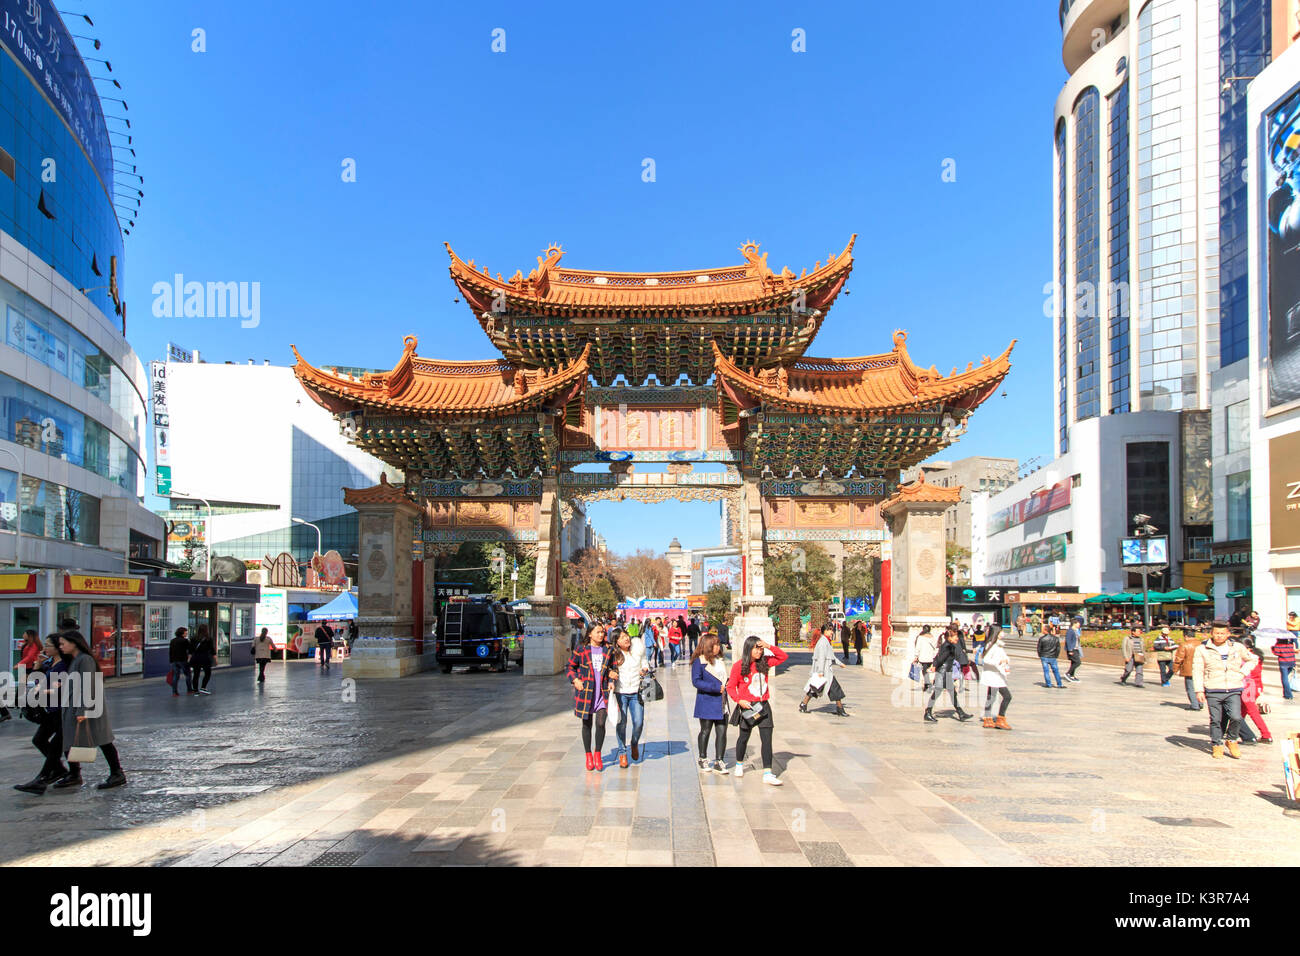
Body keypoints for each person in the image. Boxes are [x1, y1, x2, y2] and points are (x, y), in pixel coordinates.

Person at [49, 630, 125, 790]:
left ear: (74, 643)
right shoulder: (77, 660)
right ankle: (74, 773)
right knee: (73, 739)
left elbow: (87, 685)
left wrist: (82, 710)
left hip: (88, 708)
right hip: (76, 707)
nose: (60, 647)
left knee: (102, 740)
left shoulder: (85, 660)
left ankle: (116, 773)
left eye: (63, 644)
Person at [1192, 620, 1259, 759]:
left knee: (1236, 717)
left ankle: (1232, 740)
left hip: (1233, 688)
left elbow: (1253, 659)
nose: (1219, 636)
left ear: (1228, 634)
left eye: (1222, 633)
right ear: (1211, 633)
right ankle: (1217, 745)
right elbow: (1197, 670)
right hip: (1213, 688)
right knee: (1215, 720)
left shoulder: (1237, 647)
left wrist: (1242, 673)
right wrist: (1199, 690)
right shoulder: (1202, 649)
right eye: (1216, 633)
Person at [13, 634, 71, 795]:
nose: (45, 649)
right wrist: (38, 667)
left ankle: (43, 779)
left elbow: (54, 685)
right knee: (40, 740)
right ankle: (60, 771)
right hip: (51, 710)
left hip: (61, 710)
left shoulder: (63, 665)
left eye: (48, 645)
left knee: (55, 745)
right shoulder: (51, 663)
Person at [726, 636, 788, 785]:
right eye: (756, 648)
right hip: (748, 706)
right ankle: (739, 764)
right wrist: (739, 700)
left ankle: (768, 772)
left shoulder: (765, 662)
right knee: (743, 738)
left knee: (767, 740)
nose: (759, 651)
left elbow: (783, 657)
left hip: (763, 705)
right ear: (749, 649)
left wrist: (768, 646)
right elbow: (730, 687)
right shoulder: (739, 666)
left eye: (761, 649)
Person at [566, 624, 616, 772]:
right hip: (586, 692)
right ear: (590, 634)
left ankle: (597, 754)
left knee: (600, 723)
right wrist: (575, 680)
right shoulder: (581, 649)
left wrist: (612, 677)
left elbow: (613, 667)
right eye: (598, 632)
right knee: (586, 724)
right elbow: (570, 667)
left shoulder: (608, 649)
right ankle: (588, 755)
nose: (601, 635)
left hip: (602, 692)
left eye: (602, 632)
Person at [691, 633, 730, 773]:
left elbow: (723, 679)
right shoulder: (699, 661)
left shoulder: (720, 660)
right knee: (705, 730)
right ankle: (703, 757)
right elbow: (696, 681)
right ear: (708, 646)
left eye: (718, 644)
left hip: (722, 702)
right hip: (707, 700)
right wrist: (714, 688)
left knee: (722, 731)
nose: (718, 647)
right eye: (715, 644)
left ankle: (719, 760)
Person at [609, 628, 648, 767]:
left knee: (638, 722)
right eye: (621, 638)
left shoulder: (637, 650)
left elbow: (644, 661)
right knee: (622, 723)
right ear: (616, 642)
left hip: (636, 691)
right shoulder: (614, 655)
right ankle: (622, 753)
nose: (626, 639)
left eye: (626, 636)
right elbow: (607, 668)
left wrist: (645, 668)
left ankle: (634, 742)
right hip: (620, 692)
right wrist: (610, 675)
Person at [924, 627, 973, 722]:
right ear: (949, 637)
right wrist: (935, 666)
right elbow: (940, 658)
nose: (957, 638)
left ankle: (961, 713)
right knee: (937, 693)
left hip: (947, 672)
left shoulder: (949, 645)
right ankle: (928, 712)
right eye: (955, 637)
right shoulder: (948, 646)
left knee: (953, 694)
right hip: (943, 673)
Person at [799, 624, 849, 717]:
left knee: (816, 688)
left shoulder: (826, 641)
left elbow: (831, 656)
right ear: (825, 631)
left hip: (826, 670)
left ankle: (803, 704)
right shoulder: (823, 642)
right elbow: (821, 657)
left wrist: (839, 663)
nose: (832, 632)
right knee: (830, 688)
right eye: (830, 630)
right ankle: (840, 709)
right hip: (824, 671)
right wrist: (821, 672)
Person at [979, 628, 1012, 730]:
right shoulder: (992, 645)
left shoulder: (998, 645)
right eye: (1001, 631)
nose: (1002, 633)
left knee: (991, 696)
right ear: (997, 633)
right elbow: (986, 659)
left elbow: (1004, 656)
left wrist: (1006, 660)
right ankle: (1000, 719)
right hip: (994, 676)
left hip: (997, 674)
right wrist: (999, 661)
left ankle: (988, 718)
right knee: (1007, 696)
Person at [1172, 630, 1204, 710]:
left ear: (1185, 636)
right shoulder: (1201, 644)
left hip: (1189, 669)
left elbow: (1179, 658)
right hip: (1200, 669)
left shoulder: (1184, 645)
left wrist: (1175, 669)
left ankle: (1194, 705)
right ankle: (1200, 703)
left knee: (1190, 688)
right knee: (1199, 687)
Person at [1275, 613, 1297, 701]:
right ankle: (1286, 693)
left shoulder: (1279, 645)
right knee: (1286, 678)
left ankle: (1288, 695)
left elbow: (1276, 653)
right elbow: (1293, 653)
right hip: (1291, 663)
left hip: (1283, 663)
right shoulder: (1290, 645)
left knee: (1284, 679)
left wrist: (1273, 647)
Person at [189, 624, 215, 695]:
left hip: (196, 658)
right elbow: (212, 649)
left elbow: (190, 650)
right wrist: (215, 657)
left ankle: (195, 691)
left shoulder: (193, 638)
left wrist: (189, 658)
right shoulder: (208, 638)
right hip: (205, 658)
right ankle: (203, 687)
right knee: (207, 673)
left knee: (196, 674)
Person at [1037, 623, 1064, 688]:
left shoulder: (1042, 638)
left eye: (1043, 629)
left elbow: (1039, 648)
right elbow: (1058, 648)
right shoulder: (1056, 638)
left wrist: (1040, 655)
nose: (1042, 631)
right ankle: (1059, 684)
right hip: (1053, 657)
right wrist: (1056, 655)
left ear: (1046, 630)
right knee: (1056, 671)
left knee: (1046, 671)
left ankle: (1048, 684)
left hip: (1044, 656)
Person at [168, 626, 193, 696]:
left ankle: (174, 692)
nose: (186, 634)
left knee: (176, 676)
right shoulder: (185, 641)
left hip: (174, 660)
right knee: (188, 675)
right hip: (183, 660)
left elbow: (170, 651)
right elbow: (190, 649)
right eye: (185, 633)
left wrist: (171, 661)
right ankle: (189, 690)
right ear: (182, 634)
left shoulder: (172, 641)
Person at [914, 625, 938, 691]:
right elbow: (935, 646)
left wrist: (916, 656)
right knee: (926, 670)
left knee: (924, 671)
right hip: (930, 656)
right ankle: (927, 683)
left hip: (923, 656)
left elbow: (918, 647)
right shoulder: (932, 637)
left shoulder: (920, 637)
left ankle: (927, 684)